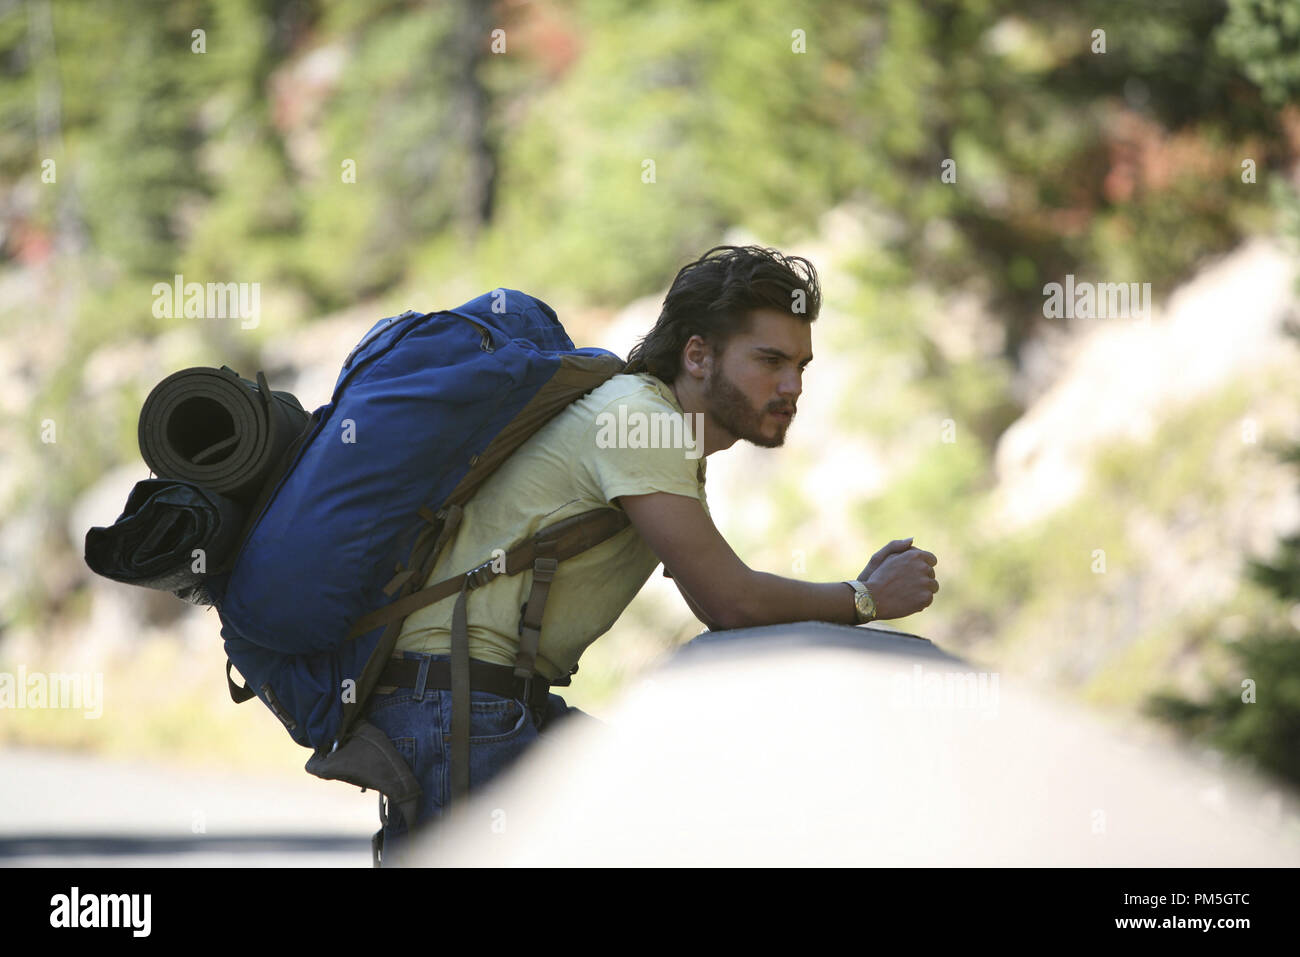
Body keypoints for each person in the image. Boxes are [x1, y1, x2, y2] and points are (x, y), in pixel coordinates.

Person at [365, 244, 940, 864]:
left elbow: (713, 600)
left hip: (477, 697)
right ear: (698, 354)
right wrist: (864, 600)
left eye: (801, 365)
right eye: (770, 360)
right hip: (452, 701)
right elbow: (732, 599)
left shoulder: (664, 433)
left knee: (659, 822)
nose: (792, 386)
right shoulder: (640, 422)